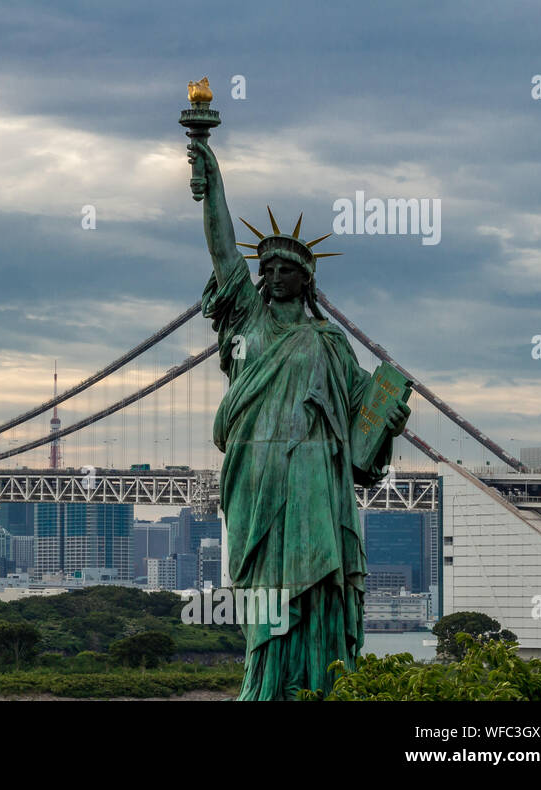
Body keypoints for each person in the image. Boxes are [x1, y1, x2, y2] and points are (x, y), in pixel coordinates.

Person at [187, 139, 409, 700]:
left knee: (316, 589)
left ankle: (316, 683)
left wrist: (390, 420)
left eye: (288, 268)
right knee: (265, 586)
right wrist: (210, 178)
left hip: (315, 474)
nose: (277, 274)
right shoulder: (247, 318)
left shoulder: (330, 342)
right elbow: (220, 251)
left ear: (307, 279)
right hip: (256, 470)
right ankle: (265, 684)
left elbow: (362, 422)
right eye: (269, 268)